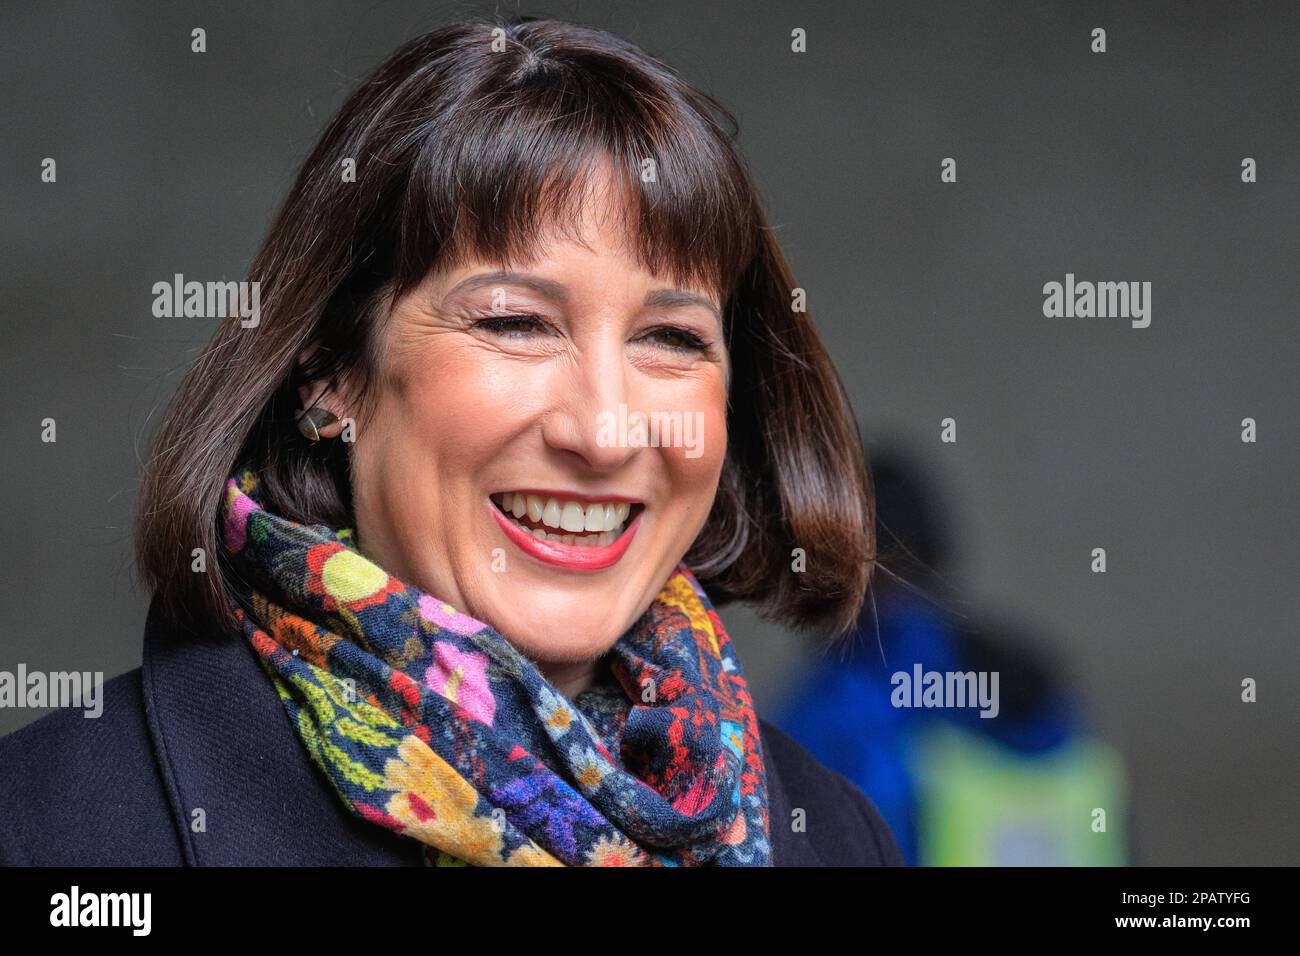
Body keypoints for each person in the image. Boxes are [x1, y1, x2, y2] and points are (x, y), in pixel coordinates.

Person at [0, 15, 902, 867]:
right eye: (514, 322)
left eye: (671, 339)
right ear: (332, 373)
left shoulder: (835, 834)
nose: (602, 429)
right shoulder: (49, 827)